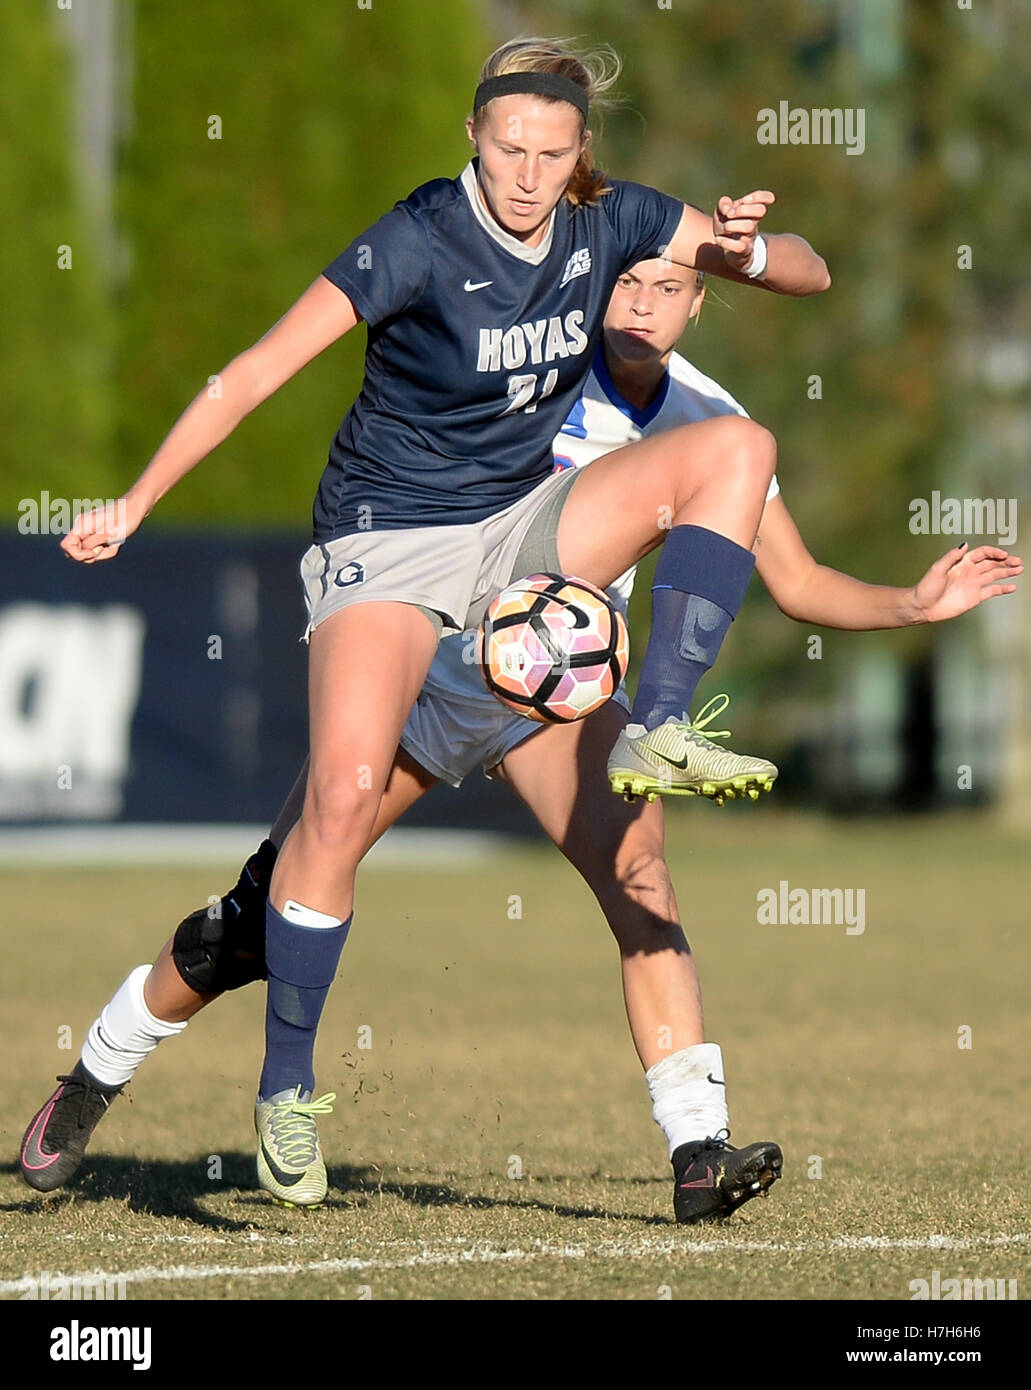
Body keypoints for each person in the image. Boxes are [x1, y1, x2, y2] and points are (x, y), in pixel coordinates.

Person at [22, 258, 1020, 1222]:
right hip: (430, 661)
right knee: (252, 923)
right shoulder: (534, 359)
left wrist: (910, 603)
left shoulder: (709, 419)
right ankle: (96, 1072)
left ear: (698, 304)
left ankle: (697, 1149)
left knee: (644, 881)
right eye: (625, 280)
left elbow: (796, 582)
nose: (641, 303)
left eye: (667, 287)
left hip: (554, 694)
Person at [52, 35, 834, 1209]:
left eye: (550, 153)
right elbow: (251, 375)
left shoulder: (610, 227)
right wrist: (136, 500)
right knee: (279, 882)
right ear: (472, 137)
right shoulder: (416, 236)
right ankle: (202, 1080)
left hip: (517, 577)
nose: (525, 174)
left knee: (737, 460)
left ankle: (694, 1130)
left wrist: (747, 243)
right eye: (507, 147)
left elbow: (807, 274)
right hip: (390, 543)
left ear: (581, 159)